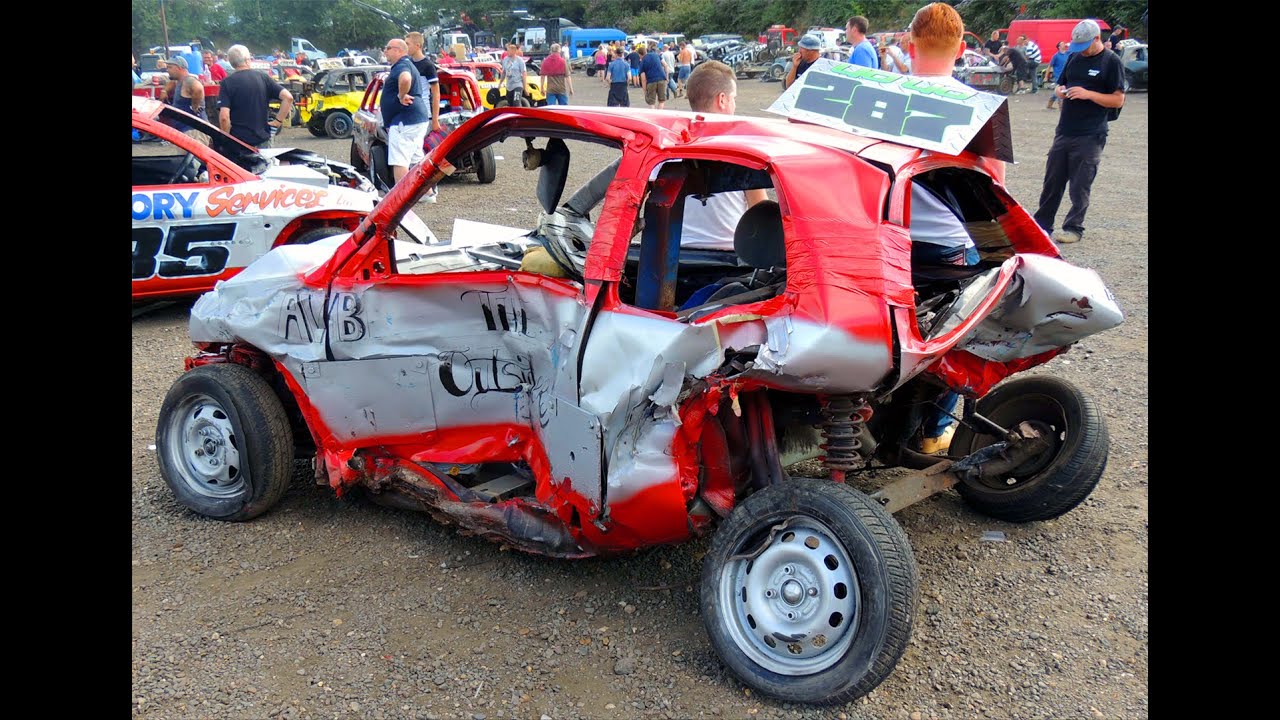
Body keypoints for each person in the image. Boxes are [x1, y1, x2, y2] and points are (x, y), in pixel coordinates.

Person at [905, 2, 986, 454]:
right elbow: (992, 184)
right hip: (950, 242)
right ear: (961, 46)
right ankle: (933, 431)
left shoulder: (878, 96)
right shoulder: (979, 106)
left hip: (887, 237)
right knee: (951, 338)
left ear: (909, 43)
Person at [1032, 19, 1124, 245]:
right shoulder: (1074, 57)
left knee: (1080, 184)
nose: (1081, 51)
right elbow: (1058, 84)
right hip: (1065, 129)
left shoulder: (1111, 62)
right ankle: (1042, 225)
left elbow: (1118, 99)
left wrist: (1088, 94)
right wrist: (1060, 91)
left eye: (1085, 46)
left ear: (1097, 38)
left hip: (1091, 133)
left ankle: (1074, 228)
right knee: (1052, 181)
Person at [679, 60, 769, 250]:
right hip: (729, 259)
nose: (734, 104)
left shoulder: (670, 146)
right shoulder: (742, 149)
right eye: (733, 98)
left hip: (676, 255)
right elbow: (760, 212)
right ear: (722, 99)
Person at [370, 38, 429, 186]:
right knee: (416, 160)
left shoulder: (402, 66)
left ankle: (401, 197)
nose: (385, 51)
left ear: (399, 50)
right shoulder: (406, 64)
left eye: (388, 48)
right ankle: (427, 193)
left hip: (404, 121)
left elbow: (405, 79)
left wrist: (401, 95)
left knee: (400, 160)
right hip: (415, 118)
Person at [218, 45, 292, 150]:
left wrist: (225, 140)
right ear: (248, 60)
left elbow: (224, 117)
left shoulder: (227, 83)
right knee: (264, 165)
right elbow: (288, 98)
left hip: (238, 142)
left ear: (231, 62)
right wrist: (277, 122)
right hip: (262, 139)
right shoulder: (263, 77)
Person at [405, 32, 443, 135]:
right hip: (408, 114)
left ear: (418, 46)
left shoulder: (428, 65)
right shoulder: (407, 63)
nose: (405, 47)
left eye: (407, 44)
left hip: (423, 114)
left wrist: (435, 120)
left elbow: (436, 94)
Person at [164, 56, 208, 142]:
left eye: (170, 67)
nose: (167, 70)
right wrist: (164, 91)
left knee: (194, 156)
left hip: (194, 132)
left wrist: (195, 106)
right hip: (187, 131)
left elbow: (198, 88)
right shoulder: (180, 81)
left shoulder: (188, 80)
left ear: (179, 68)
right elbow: (171, 83)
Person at [638, 44, 668, 109]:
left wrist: (645, 90)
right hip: (661, 79)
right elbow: (665, 65)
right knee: (661, 101)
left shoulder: (642, 62)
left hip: (651, 81)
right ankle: (659, 115)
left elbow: (643, 79)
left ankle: (654, 115)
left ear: (640, 55)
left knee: (651, 102)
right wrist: (667, 77)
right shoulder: (656, 55)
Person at [1045, 41, 1070, 109]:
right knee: (1061, 90)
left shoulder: (1068, 53)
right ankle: (1061, 106)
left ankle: (1050, 103)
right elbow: (1050, 66)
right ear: (1059, 47)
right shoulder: (1056, 56)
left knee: (1057, 91)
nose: (1064, 44)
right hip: (1058, 76)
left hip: (1066, 75)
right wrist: (1046, 76)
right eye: (1062, 44)